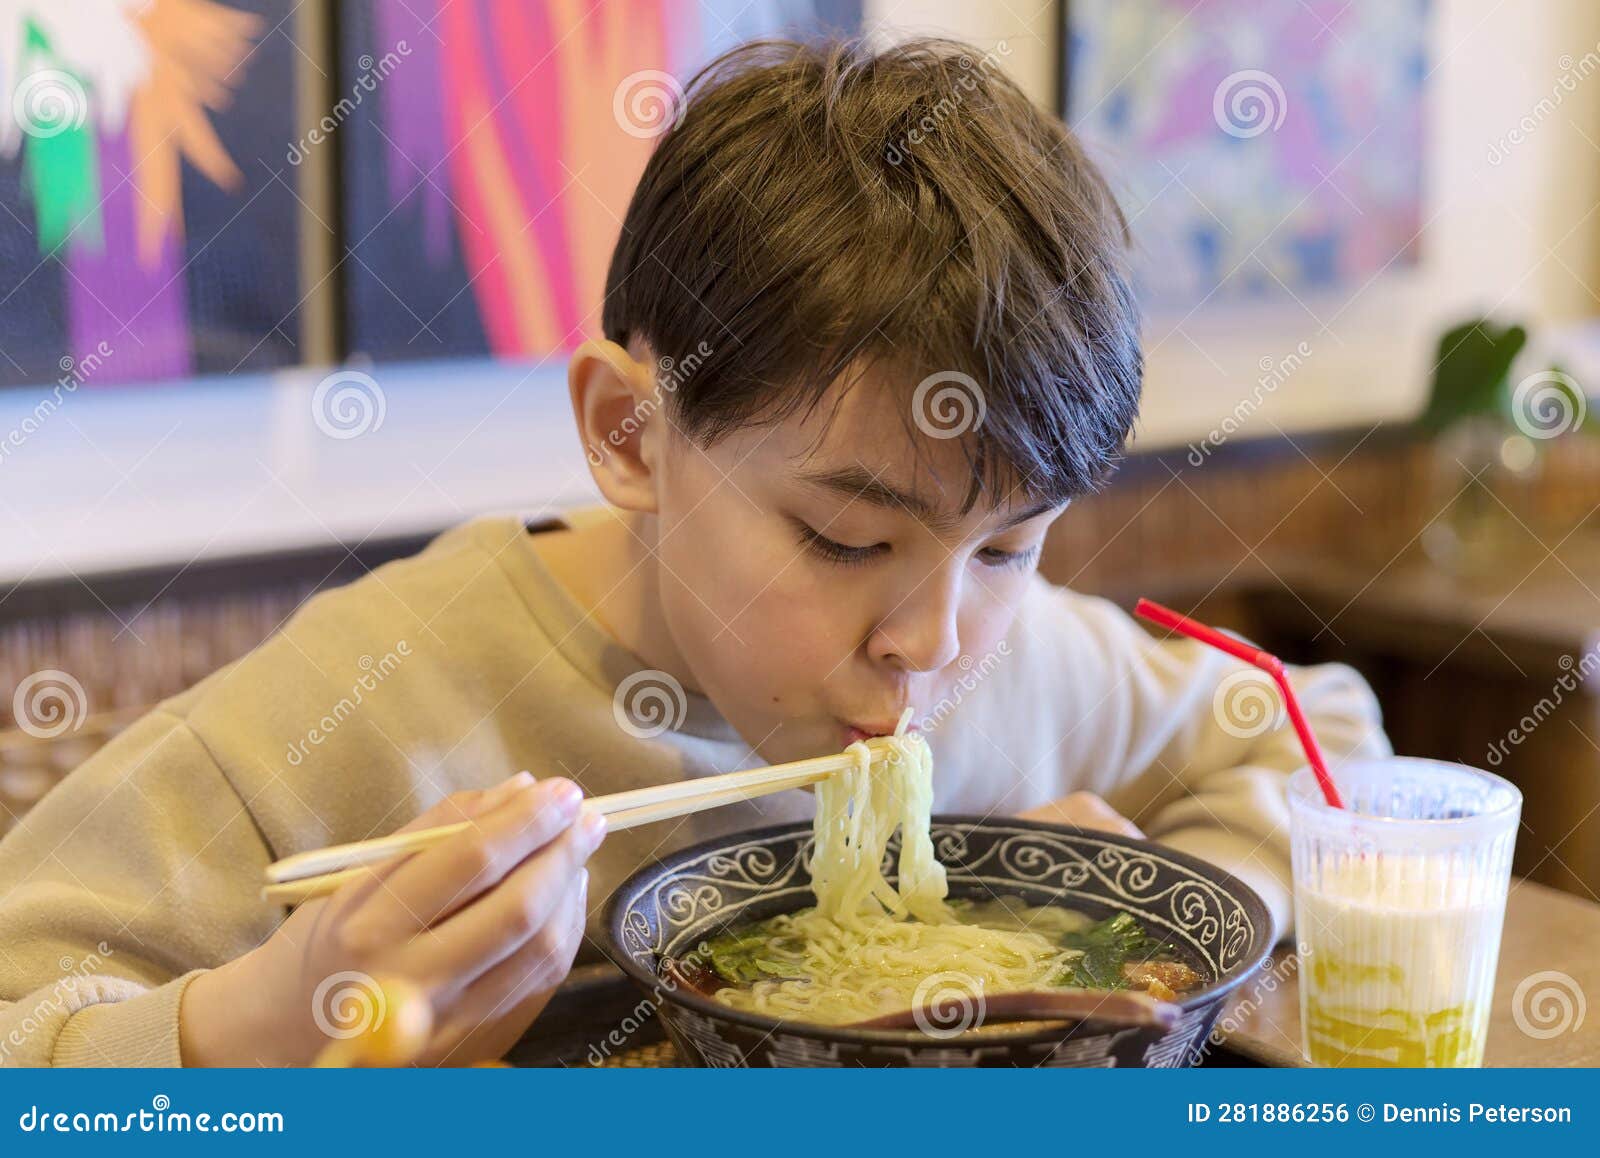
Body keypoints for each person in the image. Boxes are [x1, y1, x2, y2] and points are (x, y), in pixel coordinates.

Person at [0, 36, 1388, 1067]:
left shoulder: (1004, 673)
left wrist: (1162, 925)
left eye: (1011, 546)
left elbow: (1318, 731)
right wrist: (266, 1019)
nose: (931, 639)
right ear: (628, 434)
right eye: (846, 537)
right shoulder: (362, 709)